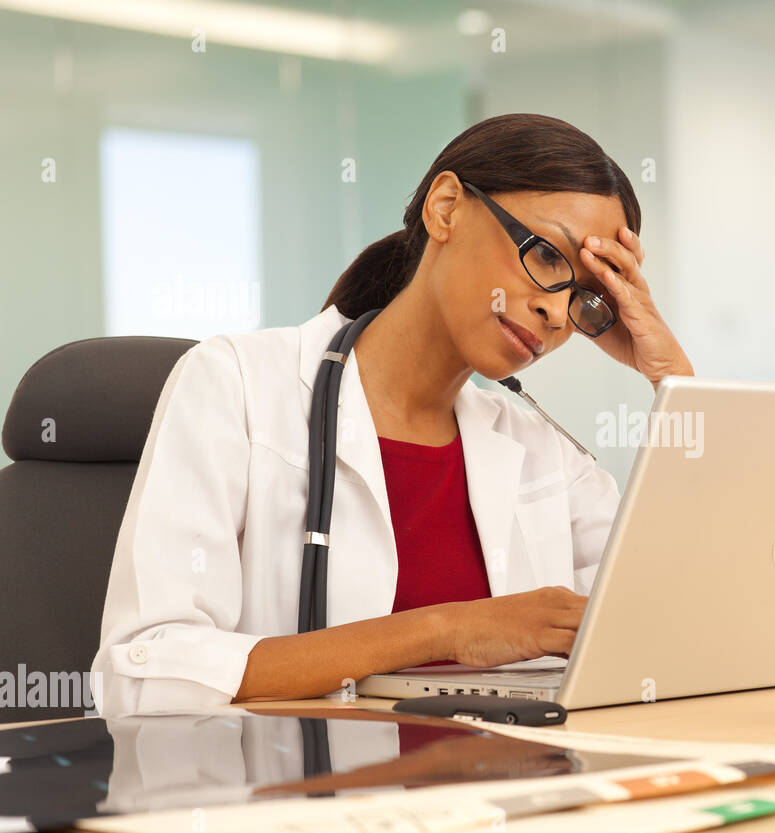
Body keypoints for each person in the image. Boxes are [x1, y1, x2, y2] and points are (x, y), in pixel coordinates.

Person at [92, 113, 693, 716]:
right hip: (305, 800)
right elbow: (147, 669)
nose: (557, 313)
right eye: (547, 256)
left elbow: (679, 623)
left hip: (510, 799)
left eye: (586, 296)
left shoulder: (539, 449)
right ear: (447, 208)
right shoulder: (237, 384)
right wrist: (444, 631)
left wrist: (672, 378)